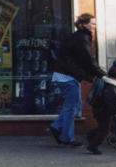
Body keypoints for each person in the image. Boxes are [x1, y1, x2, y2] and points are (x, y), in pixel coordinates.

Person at [47, 13, 106, 148]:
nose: (94, 26)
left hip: (66, 75)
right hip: (67, 76)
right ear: (84, 24)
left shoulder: (79, 36)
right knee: (71, 107)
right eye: (92, 24)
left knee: (76, 105)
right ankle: (67, 138)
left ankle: (56, 126)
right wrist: (100, 74)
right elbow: (87, 59)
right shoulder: (82, 38)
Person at [86, 62, 116, 155]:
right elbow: (114, 103)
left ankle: (90, 135)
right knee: (104, 130)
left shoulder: (106, 84)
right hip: (103, 112)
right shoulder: (112, 88)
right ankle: (93, 146)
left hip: (99, 110)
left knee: (102, 127)